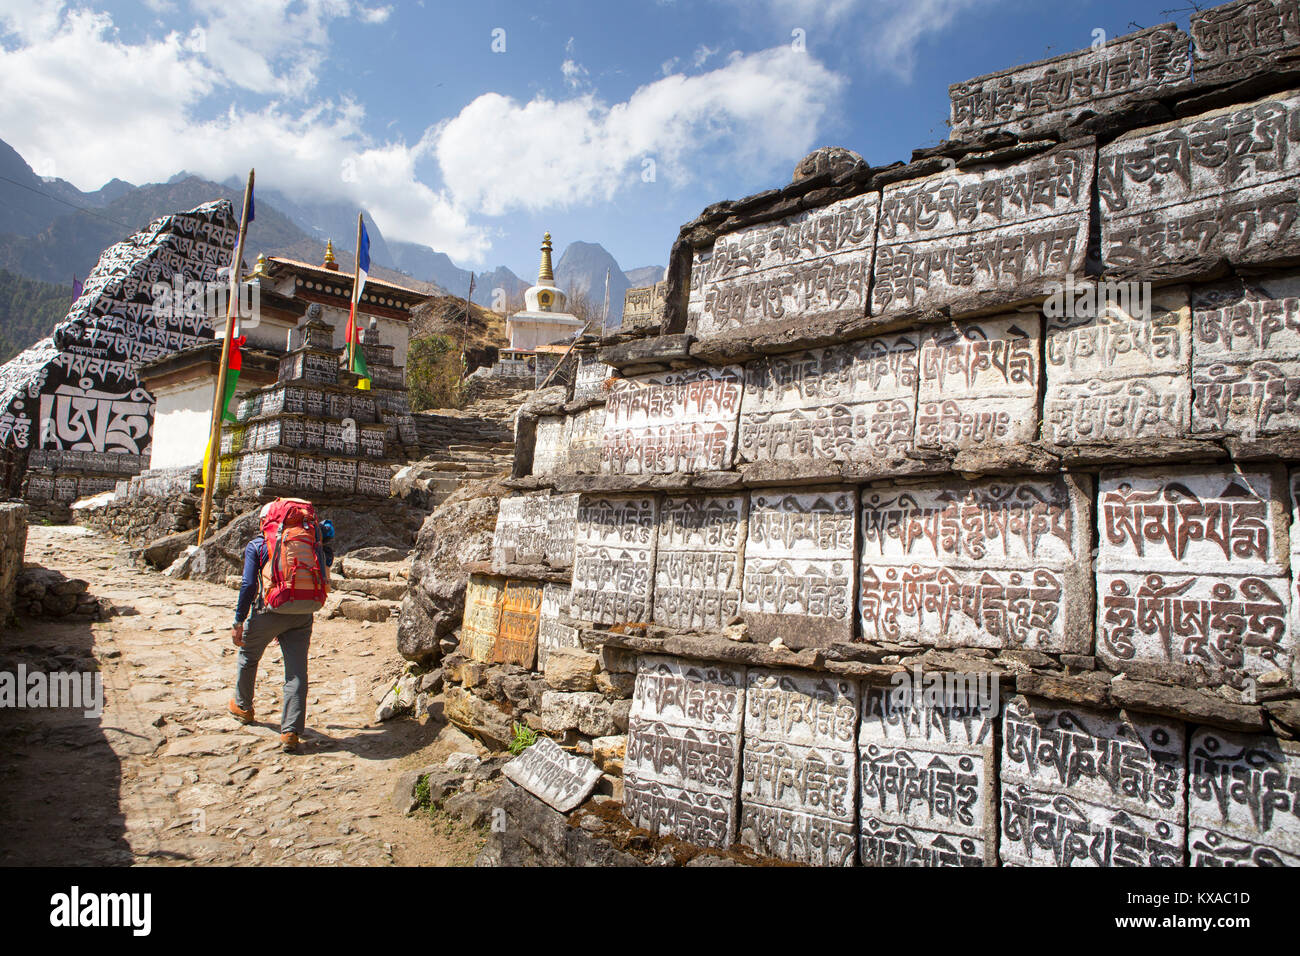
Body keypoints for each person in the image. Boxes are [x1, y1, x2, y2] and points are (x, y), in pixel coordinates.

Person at [228, 504, 334, 753]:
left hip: (269, 610)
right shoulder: (309, 542)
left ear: (266, 521)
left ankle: (244, 706)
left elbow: (247, 585)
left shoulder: (259, 545)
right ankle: (291, 732)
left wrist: (238, 621)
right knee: (296, 672)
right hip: (303, 613)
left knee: (248, 656)